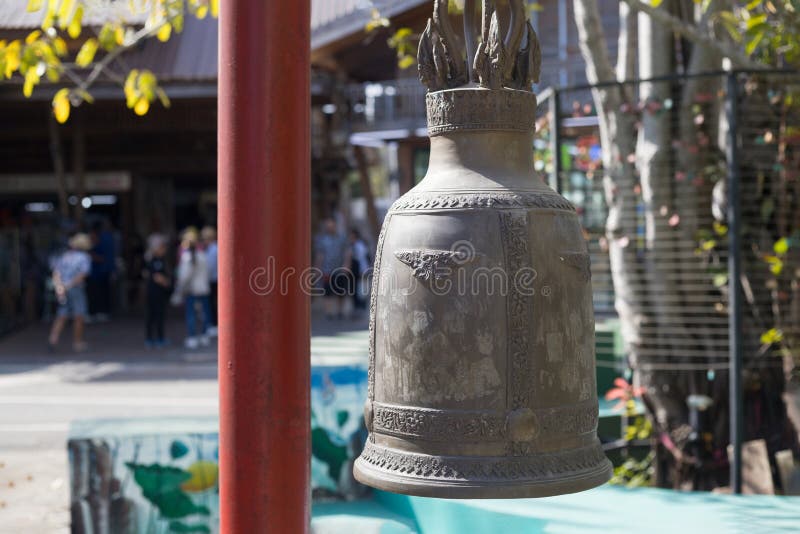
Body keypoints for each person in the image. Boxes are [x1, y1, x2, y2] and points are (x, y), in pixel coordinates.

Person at [48, 233, 92, 352]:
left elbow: (56, 273)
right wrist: (68, 285)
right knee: (79, 315)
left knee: (62, 314)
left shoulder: (65, 256)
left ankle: (53, 338)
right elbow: (82, 275)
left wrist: (59, 287)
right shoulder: (84, 257)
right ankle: (77, 342)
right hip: (75, 288)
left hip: (63, 288)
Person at [174, 229, 211, 349]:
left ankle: (192, 336)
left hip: (191, 289)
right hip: (203, 288)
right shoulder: (202, 255)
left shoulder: (186, 257)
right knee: (204, 313)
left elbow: (183, 276)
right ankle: (205, 334)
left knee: (191, 314)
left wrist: (179, 288)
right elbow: (208, 272)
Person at [314, 218, 351, 320]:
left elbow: (347, 252)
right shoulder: (322, 239)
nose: (330, 228)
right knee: (328, 292)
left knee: (341, 291)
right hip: (327, 269)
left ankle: (340, 311)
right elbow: (320, 255)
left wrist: (346, 265)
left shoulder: (342, 238)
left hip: (340, 269)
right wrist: (318, 267)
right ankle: (329, 312)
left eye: (332, 226)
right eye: (328, 227)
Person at [143, 234, 171, 348]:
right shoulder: (152, 260)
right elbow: (156, 276)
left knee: (160, 316)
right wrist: (166, 282)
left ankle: (160, 337)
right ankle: (150, 338)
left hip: (160, 293)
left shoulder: (162, 259)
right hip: (153, 292)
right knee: (151, 316)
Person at [87, 220, 116, 322]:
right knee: (102, 292)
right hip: (102, 271)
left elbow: (102, 258)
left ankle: (99, 312)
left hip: (99, 272)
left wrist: (90, 255)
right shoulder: (108, 238)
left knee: (99, 292)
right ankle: (102, 312)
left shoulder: (103, 239)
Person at [349, 229, 371, 316]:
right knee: (358, 289)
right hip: (355, 271)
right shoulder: (354, 245)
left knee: (361, 289)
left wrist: (364, 270)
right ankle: (358, 308)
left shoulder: (359, 245)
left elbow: (363, 259)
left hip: (360, 271)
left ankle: (360, 308)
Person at [201, 226, 218, 337]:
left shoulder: (213, 249)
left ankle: (214, 324)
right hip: (213, 278)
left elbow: (210, 266)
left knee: (213, 303)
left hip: (213, 279)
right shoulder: (212, 249)